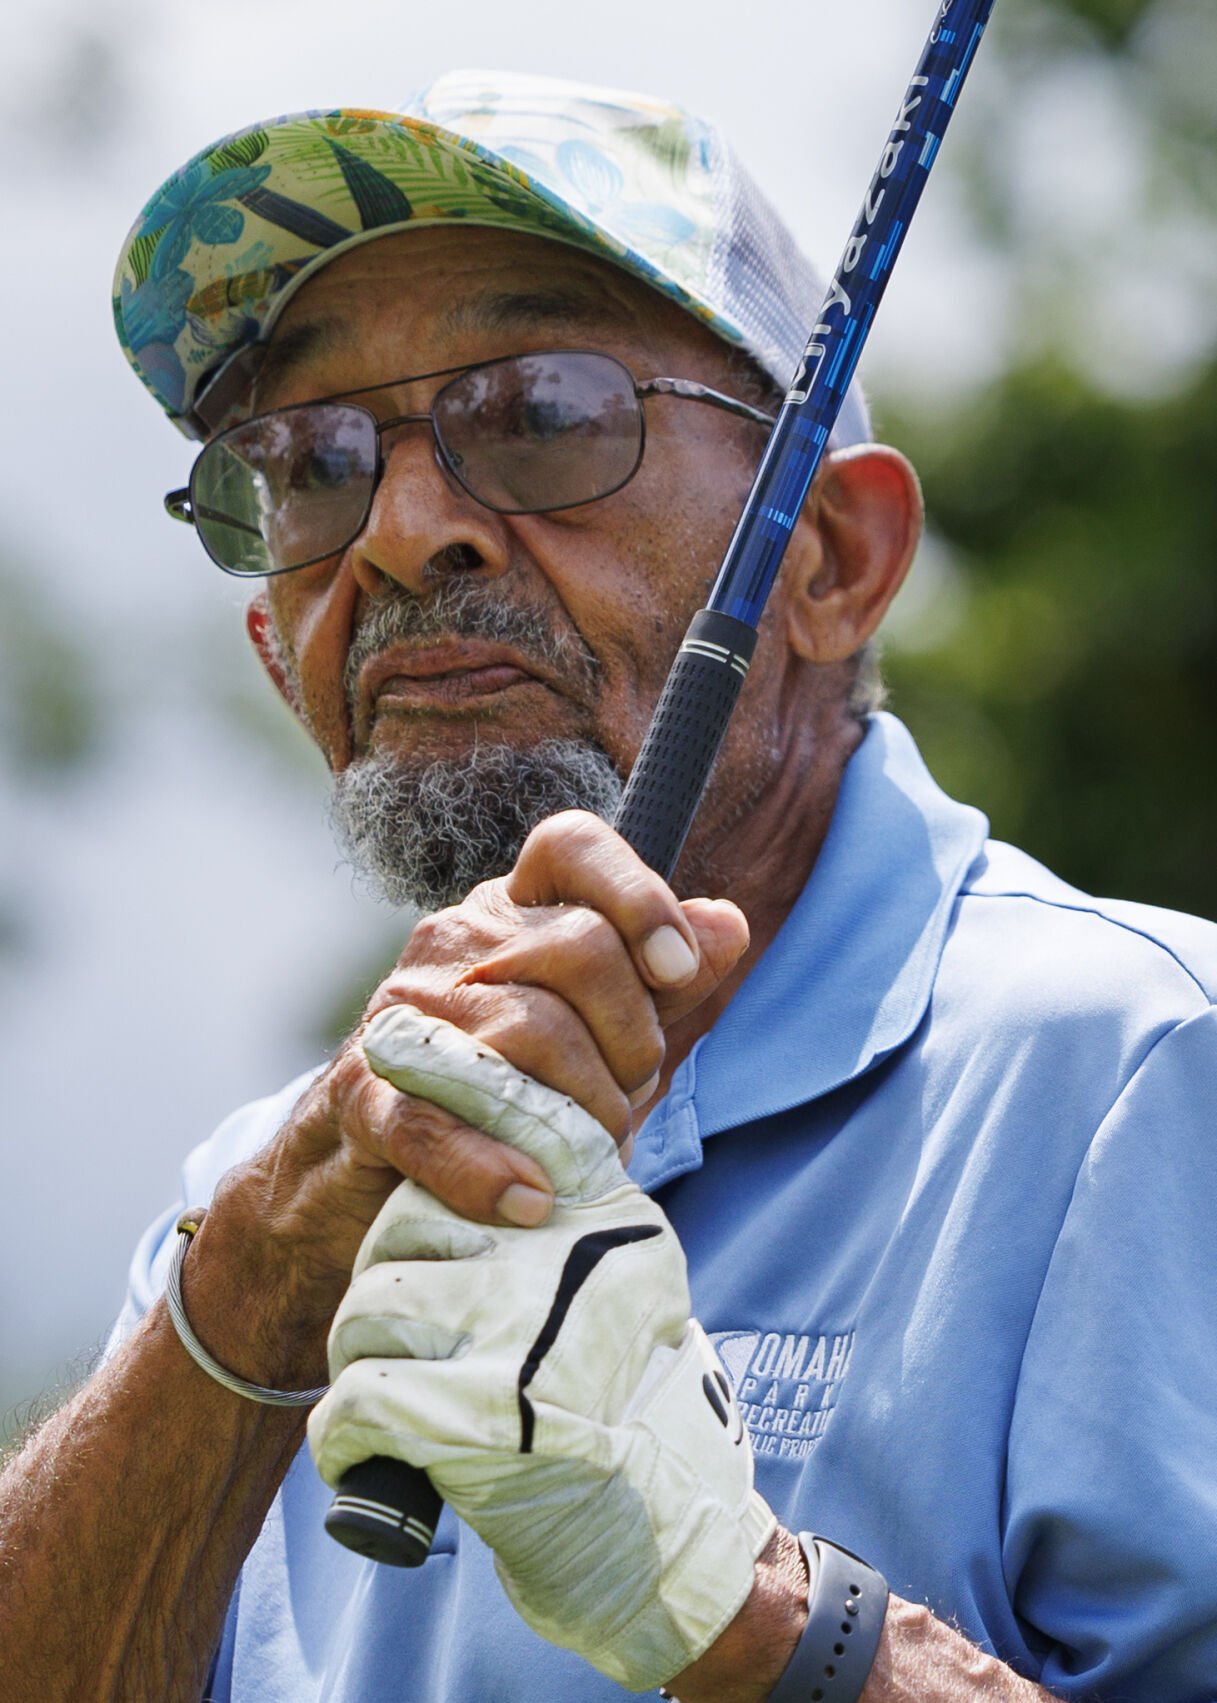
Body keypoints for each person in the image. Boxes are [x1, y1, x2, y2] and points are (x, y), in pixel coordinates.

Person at [2, 69, 1215, 1703]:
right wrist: (245, 1287)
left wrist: (752, 1622)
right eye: (306, 461)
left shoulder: (1135, 1070)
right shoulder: (259, 1195)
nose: (402, 531)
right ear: (270, 639)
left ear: (832, 563)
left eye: (543, 414)